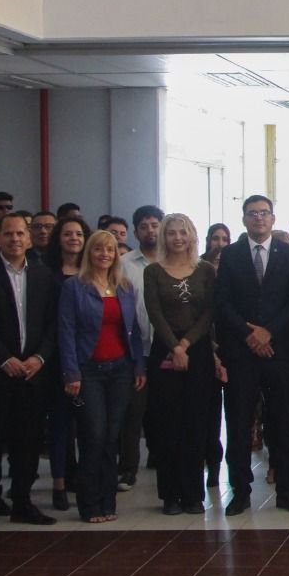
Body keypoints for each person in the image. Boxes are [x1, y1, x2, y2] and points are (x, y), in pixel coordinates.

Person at [214, 195, 289, 515]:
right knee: (239, 422)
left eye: (264, 213)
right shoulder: (232, 254)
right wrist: (249, 334)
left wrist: (268, 331)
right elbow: (222, 302)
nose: (259, 219)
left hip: (278, 350)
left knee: (282, 420)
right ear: (244, 220)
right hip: (241, 352)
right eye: (252, 214)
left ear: (273, 218)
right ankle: (240, 491)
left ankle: (286, 490)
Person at [58, 229, 145, 523]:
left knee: (111, 437)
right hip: (88, 371)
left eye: (110, 250)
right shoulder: (74, 287)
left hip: (120, 370)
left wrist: (138, 367)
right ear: (89, 253)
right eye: (99, 249)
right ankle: (89, 503)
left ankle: (108, 502)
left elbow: (132, 331)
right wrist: (71, 372)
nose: (104, 254)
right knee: (93, 435)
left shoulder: (124, 286)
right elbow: (66, 332)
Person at [0, 213, 58, 530]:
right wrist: (2, 357)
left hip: (33, 371)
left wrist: (40, 357)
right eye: (8, 234)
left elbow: (53, 324)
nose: (14, 239)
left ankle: (23, 503)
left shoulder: (43, 275)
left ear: (28, 238)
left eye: (19, 234)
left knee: (28, 441)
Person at [144, 213, 217, 516]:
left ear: (191, 236)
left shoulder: (205, 271)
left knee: (196, 424)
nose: (177, 238)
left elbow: (209, 312)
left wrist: (186, 345)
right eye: (171, 233)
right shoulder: (153, 272)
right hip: (164, 351)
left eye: (182, 233)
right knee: (167, 424)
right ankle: (170, 494)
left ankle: (193, 494)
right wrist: (174, 346)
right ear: (164, 237)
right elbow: (155, 312)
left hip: (197, 352)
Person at [41, 213, 89, 510]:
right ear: (58, 238)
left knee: (87, 425)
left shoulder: (93, 272)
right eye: (68, 234)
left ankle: (82, 478)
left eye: (79, 235)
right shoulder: (46, 273)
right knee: (60, 424)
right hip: (55, 356)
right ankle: (59, 483)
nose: (73, 239)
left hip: (89, 357)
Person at [117, 204, 162, 492]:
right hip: (134, 349)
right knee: (133, 412)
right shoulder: (124, 265)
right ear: (135, 232)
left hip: (167, 347)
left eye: (155, 224)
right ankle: (128, 469)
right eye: (144, 226)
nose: (150, 230)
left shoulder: (173, 261)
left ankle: (161, 460)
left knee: (164, 409)